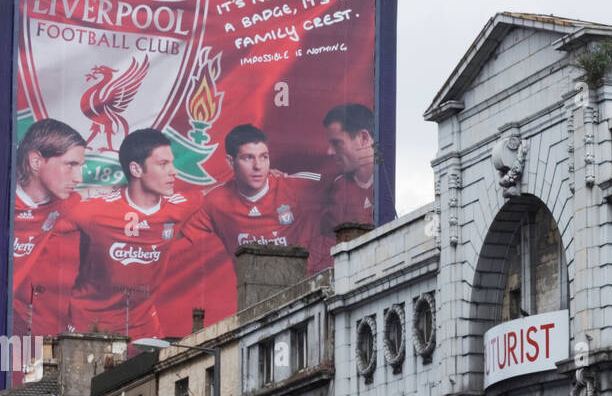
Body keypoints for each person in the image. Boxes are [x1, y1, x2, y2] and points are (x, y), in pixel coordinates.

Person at [45, 128, 194, 338]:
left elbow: (217, 196)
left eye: (171, 163)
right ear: (135, 169)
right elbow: (44, 217)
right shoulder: (93, 211)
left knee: (154, 371)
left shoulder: (183, 206)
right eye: (163, 164)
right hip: (90, 326)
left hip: (144, 328)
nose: (174, 171)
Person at [181, 123, 324, 268]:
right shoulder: (216, 201)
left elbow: (343, 185)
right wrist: (201, 194)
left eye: (264, 157)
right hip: (254, 288)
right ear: (231, 162)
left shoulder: (295, 186)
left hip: (307, 284)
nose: (258, 166)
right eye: (248, 158)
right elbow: (167, 228)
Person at [12, 119, 86, 335]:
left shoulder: (68, 204)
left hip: (27, 329)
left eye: (80, 166)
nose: (79, 177)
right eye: (70, 165)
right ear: (35, 161)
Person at [320, 104, 375, 234]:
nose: (330, 152)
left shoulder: (395, 182)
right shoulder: (333, 188)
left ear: (364, 138)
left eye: (337, 143)